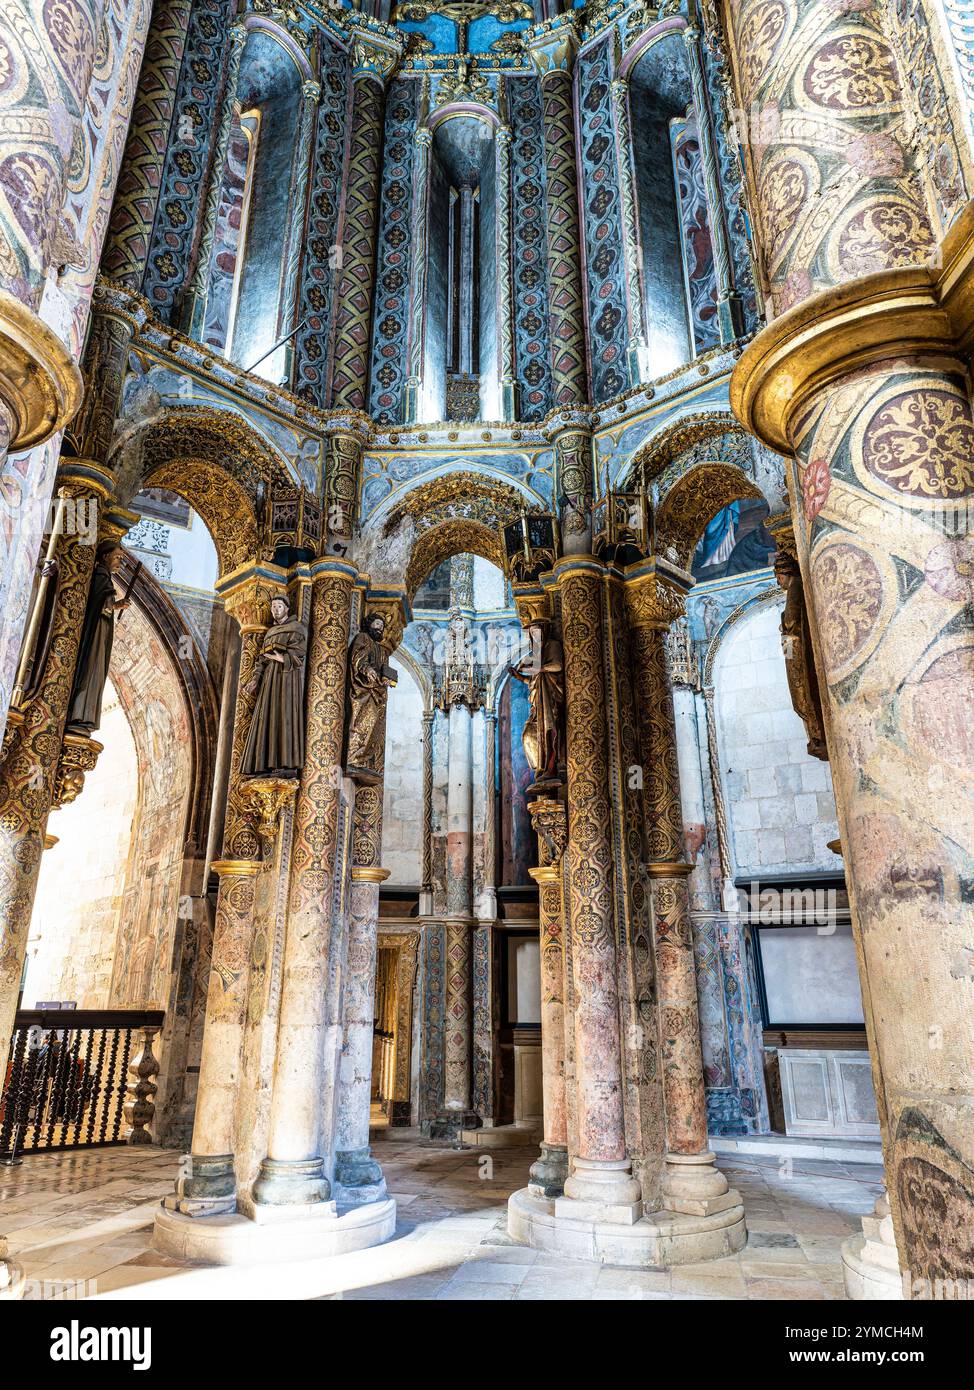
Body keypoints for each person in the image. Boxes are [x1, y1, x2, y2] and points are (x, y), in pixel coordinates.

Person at [65, 543, 129, 735]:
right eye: (117, 557)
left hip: (100, 630)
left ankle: (83, 714)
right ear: (105, 556)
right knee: (91, 668)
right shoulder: (101, 574)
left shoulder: (104, 576)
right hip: (95, 632)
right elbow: (98, 602)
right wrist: (114, 604)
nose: (120, 562)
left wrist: (114, 605)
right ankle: (79, 713)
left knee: (96, 670)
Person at [241, 596, 308, 777]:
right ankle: (263, 764)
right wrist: (255, 680)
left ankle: (285, 763)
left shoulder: (296, 628)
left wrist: (282, 658)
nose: (276, 609)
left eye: (279, 606)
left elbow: (300, 653)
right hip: (269, 678)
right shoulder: (270, 633)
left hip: (287, 678)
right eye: (273, 607)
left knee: (284, 715)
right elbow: (261, 660)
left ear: (287, 608)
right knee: (267, 716)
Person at [508, 621, 564, 784]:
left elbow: (558, 665)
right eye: (532, 634)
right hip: (538, 702)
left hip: (550, 697)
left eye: (537, 632)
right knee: (528, 735)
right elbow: (535, 683)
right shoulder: (535, 655)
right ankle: (541, 767)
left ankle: (552, 767)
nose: (535, 636)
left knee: (549, 730)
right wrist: (521, 677)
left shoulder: (551, 646)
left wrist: (538, 668)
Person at [345, 612, 395, 784]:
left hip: (377, 690)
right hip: (363, 689)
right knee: (362, 722)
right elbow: (357, 658)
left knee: (374, 725)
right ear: (369, 625)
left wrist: (386, 679)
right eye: (376, 624)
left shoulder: (380, 649)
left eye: (381, 626)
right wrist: (367, 670)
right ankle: (352, 758)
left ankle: (361, 759)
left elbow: (383, 669)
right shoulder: (363, 638)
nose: (379, 628)